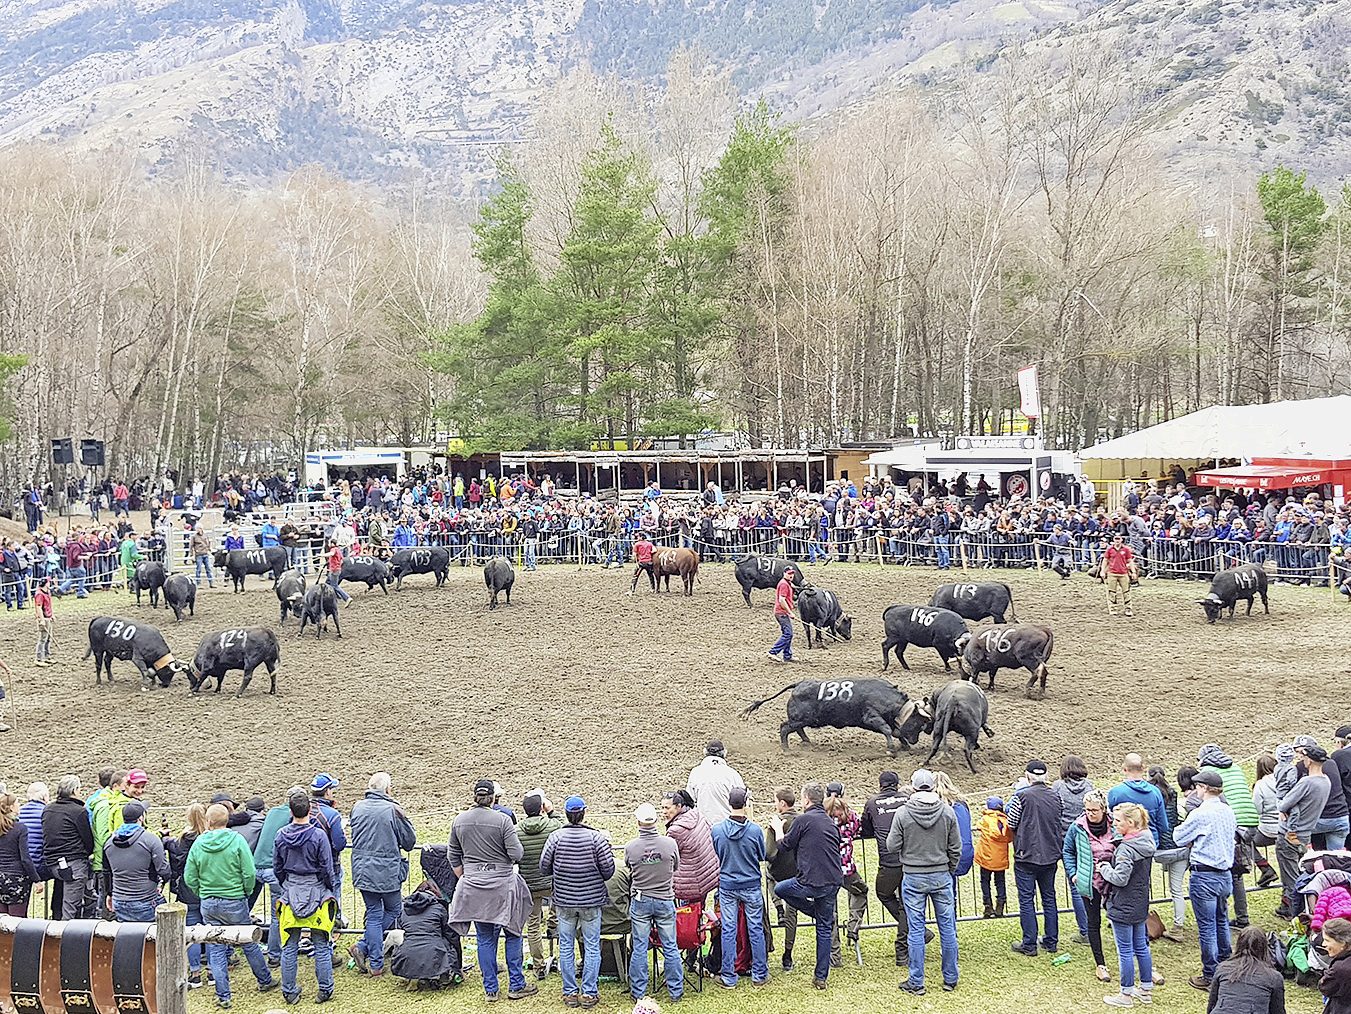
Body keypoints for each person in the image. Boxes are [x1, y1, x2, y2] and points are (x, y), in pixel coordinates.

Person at [446, 779, 536, 1001]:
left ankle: (491, 990)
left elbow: (452, 855)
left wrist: (466, 876)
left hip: (474, 885)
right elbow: (516, 854)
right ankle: (516, 985)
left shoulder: (459, 820)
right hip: (503, 885)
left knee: (485, 938)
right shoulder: (503, 820)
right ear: (494, 797)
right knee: (513, 933)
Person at [187, 802, 280, 1008]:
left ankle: (224, 995)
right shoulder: (237, 841)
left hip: (209, 902)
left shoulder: (199, 843)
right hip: (235, 899)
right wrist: (245, 892)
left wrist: (202, 892)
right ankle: (264, 979)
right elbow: (249, 872)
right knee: (248, 942)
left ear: (208, 821)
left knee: (217, 946)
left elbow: (189, 876)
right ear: (227, 820)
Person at [887, 769, 960, 996]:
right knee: (948, 928)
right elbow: (956, 848)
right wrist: (948, 869)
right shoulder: (947, 812)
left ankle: (916, 981)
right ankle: (950, 978)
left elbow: (891, 845)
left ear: (914, 787)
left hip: (914, 876)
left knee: (916, 929)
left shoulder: (903, 813)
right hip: (941, 875)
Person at [539, 794, 614, 1007]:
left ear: (566, 814)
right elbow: (608, 871)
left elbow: (544, 868)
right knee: (591, 946)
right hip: (591, 901)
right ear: (584, 813)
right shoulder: (597, 839)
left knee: (566, 946)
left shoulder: (555, 837)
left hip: (564, 901)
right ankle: (589, 992)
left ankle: (570, 992)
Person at [772, 783, 842, 990]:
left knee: (780, 889)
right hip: (833, 882)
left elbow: (785, 846)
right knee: (823, 927)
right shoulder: (830, 822)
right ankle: (821, 977)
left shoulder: (802, 820)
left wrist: (778, 829)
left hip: (810, 881)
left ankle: (813, 911)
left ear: (806, 800)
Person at [347, 772, 416, 979]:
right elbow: (410, 841)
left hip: (362, 870)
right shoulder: (393, 810)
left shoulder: (357, 807)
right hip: (387, 872)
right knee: (394, 910)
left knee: (374, 913)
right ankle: (366, 950)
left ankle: (371, 958)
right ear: (388, 789)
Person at [1174, 769, 1237, 989]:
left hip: (1204, 875)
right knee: (1222, 920)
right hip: (1224, 874)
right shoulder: (1228, 811)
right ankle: (1226, 966)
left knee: (1208, 926)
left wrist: (1193, 840)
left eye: (1198, 787)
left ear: (1204, 788)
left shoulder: (1200, 813)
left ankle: (1211, 974)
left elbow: (1179, 836)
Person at [273, 795, 337, 1004]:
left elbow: (277, 867)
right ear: (310, 809)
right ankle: (325, 989)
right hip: (316, 891)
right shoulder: (318, 836)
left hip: (291, 892)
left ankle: (289, 990)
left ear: (290, 811)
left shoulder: (281, 835)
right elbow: (327, 866)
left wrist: (288, 885)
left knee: (289, 946)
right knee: (321, 943)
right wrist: (328, 887)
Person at [1098, 803, 1157, 1007]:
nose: (1114, 824)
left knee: (1125, 950)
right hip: (1140, 902)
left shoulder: (1126, 849)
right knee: (1141, 947)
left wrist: (1104, 868)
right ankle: (1146, 989)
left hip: (1123, 903)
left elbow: (1121, 878)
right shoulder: (1147, 840)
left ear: (1130, 823)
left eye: (1118, 820)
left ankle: (1125, 995)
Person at [710, 786, 768, 989]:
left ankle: (728, 975)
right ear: (746, 804)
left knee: (728, 929)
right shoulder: (754, 830)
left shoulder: (717, 830)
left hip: (727, 884)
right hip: (750, 884)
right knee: (755, 928)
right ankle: (759, 975)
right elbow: (762, 855)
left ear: (729, 803)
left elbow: (718, 851)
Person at [624, 803, 682, 1003]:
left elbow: (629, 867)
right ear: (656, 820)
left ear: (639, 821)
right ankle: (675, 990)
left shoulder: (631, 847)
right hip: (665, 899)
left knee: (640, 946)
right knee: (670, 945)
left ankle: (638, 991)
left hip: (641, 900)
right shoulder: (670, 844)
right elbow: (676, 866)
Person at [863, 771, 923, 964]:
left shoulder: (872, 803)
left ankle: (904, 946)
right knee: (907, 902)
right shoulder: (907, 800)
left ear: (880, 786)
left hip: (888, 859)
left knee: (884, 893)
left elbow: (866, 829)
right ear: (897, 785)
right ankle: (907, 942)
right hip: (909, 858)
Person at [1197, 743, 1259, 929]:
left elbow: (1219, 799)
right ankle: (1240, 916)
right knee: (1236, 871)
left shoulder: (1208, 774)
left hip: (1234, 821)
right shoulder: (1236, 767)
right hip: (1251, 819)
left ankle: (1233, 917)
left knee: (1232, 872)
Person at [1006, 759, 1063, 957]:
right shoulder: (1056, 796)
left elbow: (1012, 822)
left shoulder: (1021, 796)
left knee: (1027, 900)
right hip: (1050, 854)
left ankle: (1029, 943)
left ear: (1028, 777)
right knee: (1049, 897)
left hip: (1026, 855)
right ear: (1046, 777)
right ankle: (1051, 940)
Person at [1063, 789, 1115, 984]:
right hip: (1089, 882)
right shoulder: (1077, 827)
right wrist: (1073, 874)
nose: (1090, 813)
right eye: (1087, 810)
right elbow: (1067, 850)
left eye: (1094, 810)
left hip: (1114, 881)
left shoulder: (1114, 824)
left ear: (1103, 809)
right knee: (1093, 923)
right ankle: (1100, 963)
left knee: (1119, 920)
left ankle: (1128, 955)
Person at [1275, 743, 1331, 919]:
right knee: (1303, 876)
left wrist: (1285, 808)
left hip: (1289, 835)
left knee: (1290, 879)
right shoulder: (1326, 781)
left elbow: (1283, 804)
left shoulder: (1307, 782)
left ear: (1310, 760)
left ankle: (1297, 917)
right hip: (1306, 834)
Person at [517, 790, 563, 977]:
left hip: (529, 883)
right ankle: (554, 927)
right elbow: (564, 825)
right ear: (541, 808)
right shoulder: (552, 825)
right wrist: (552, 810)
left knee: (533, 924)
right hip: (552, 881)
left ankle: (538, 966)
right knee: (561, 915)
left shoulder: (516, 829)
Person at [104, 802, 169, 923]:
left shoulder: (109, 842)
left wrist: (109, 894)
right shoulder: (151, 840)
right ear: (141, 817)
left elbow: (107, 872)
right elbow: (164, 870)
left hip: (119, 902)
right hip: (146, 901)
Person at [824, 787, 867, 968]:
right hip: (847, 871)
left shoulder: (822, 819)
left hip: (827, 871)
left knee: (829, 912)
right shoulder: (851, 817)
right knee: (861, 892)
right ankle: (853, 926)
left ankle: (834, 956)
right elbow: (859, 829)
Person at [391, 880, 460, 990]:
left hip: (407, 953)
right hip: (433, 951)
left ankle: (413, 976)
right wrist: (458, 967)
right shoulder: (439, 908)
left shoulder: (405, 909)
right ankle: (443, 975)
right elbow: (451, 935)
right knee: (446, 942)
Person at [166, 803, 207, 988]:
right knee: (212, 930)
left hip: (188, 889)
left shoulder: (182, 839)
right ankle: (214, 973)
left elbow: (177, 863)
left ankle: (196, 973)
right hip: (208, 887)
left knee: (191, 933)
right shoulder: (211, 837)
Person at [1053, 755, 1093, 942]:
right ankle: (1091, 925)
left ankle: (1085, 930)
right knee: (1090, 881)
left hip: (1065, 840)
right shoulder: (1089, 786)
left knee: (1075, 884)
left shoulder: (1058, 787)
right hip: (1086, 838)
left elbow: (1056, 812)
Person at [43, 775, 94, 919]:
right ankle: (66, 937)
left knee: (59, 899)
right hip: (74, 863)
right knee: (71, 908)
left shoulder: (48, 809)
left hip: (53, 862)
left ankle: (55, 928)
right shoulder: (79, 811)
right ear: (75, 790)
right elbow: (88, 839)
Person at [1205, 924, 1285, 1014]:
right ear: (1264, 947)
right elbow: (1278, 1010)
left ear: (1239, 944)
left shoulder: (1222, 968)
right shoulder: (1274, 977)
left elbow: (1212, 1003)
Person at [661, 790, 719, 909]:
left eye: (667, 808)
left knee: (689, 915)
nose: (664, 812)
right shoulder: (697, 815)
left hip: (690, 881)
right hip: (709, 873)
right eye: (662, 808)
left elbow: (668, 857)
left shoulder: (675, 830)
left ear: (679, 806)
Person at [764, 787, 800, 972]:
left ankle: (778, 906)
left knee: (768, 876)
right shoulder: (802, 821)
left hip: (779, 871)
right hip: (798, 872)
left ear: (782, 804)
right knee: (792, 913)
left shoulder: (777, 823)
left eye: (775, 801)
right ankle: (788, 954)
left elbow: (769, 853)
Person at [1107, 754, 1172, 845]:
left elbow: (1110, 822)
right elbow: (1163, 826)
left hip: (1125, 844)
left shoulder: (1116, 793)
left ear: (1124, 768)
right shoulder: (1155, 792)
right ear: (1143, 768)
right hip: (1150, 844)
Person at [686, 740, 745, 826]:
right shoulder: (732, 774)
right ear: (724, 753)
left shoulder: (696, 773)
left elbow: (689, 800)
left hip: (702, 827)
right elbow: (743, 800)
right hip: (727, 827)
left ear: (705, 753)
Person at [0, 793, 38, 916]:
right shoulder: (20, 829)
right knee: (17, 923)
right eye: (17, 804)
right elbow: (25, 858)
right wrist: (36, 879)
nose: (19, 806)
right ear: (11, 808)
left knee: (2, 923)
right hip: (17, 879)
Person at [974, 796, 1011, 919]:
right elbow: (1010, 837)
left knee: (985, 881)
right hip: (1000, 858)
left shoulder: (985, 819)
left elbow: (978, 825)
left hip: (986, 857)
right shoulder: (1006, 822)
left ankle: (987, 905)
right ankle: (1000, 904)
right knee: (1000, 881)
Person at [1321, 917, 1351, 1014]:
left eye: (1327, 940)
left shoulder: (1342, 969)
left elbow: (1325, 987)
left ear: (1343, 943)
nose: (1323, 944)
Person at [1103, 532, 1137, 616]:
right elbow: (1105, 560)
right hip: (1112, 573)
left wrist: (1133, 572)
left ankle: (1128, 609)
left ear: (1121, 540)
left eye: (1119, 539)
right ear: (1113, 540)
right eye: (1116, 539)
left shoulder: (1126, 550)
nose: (1117, 541)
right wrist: (1103, 571)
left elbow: (1130, 561)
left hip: (1123, 573)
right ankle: (1112, 608)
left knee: (1126, 592)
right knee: (1112, 591)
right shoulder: (1109, 550)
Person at [768, 565, 796, 661]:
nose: (791, 575)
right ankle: (773, 652)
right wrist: (790, 612)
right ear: (784, 574)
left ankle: (787, 655)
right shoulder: (784, 584)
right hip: (782, 612)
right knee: (788, 634)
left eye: (792, 573)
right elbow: (782, 600)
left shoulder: (786, 583)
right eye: (789, 574)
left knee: (787, 633)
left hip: (781, 612)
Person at [33, 577, 53, 666]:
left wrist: (51, 615)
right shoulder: (40, 594)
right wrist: (42, 620)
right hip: (44, 618)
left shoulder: (47, 593)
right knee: (42, 639)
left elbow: (48, 606)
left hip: (47, 617)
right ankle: (39, 658)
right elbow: (39, 607)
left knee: (48, 638)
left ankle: (47, 656)